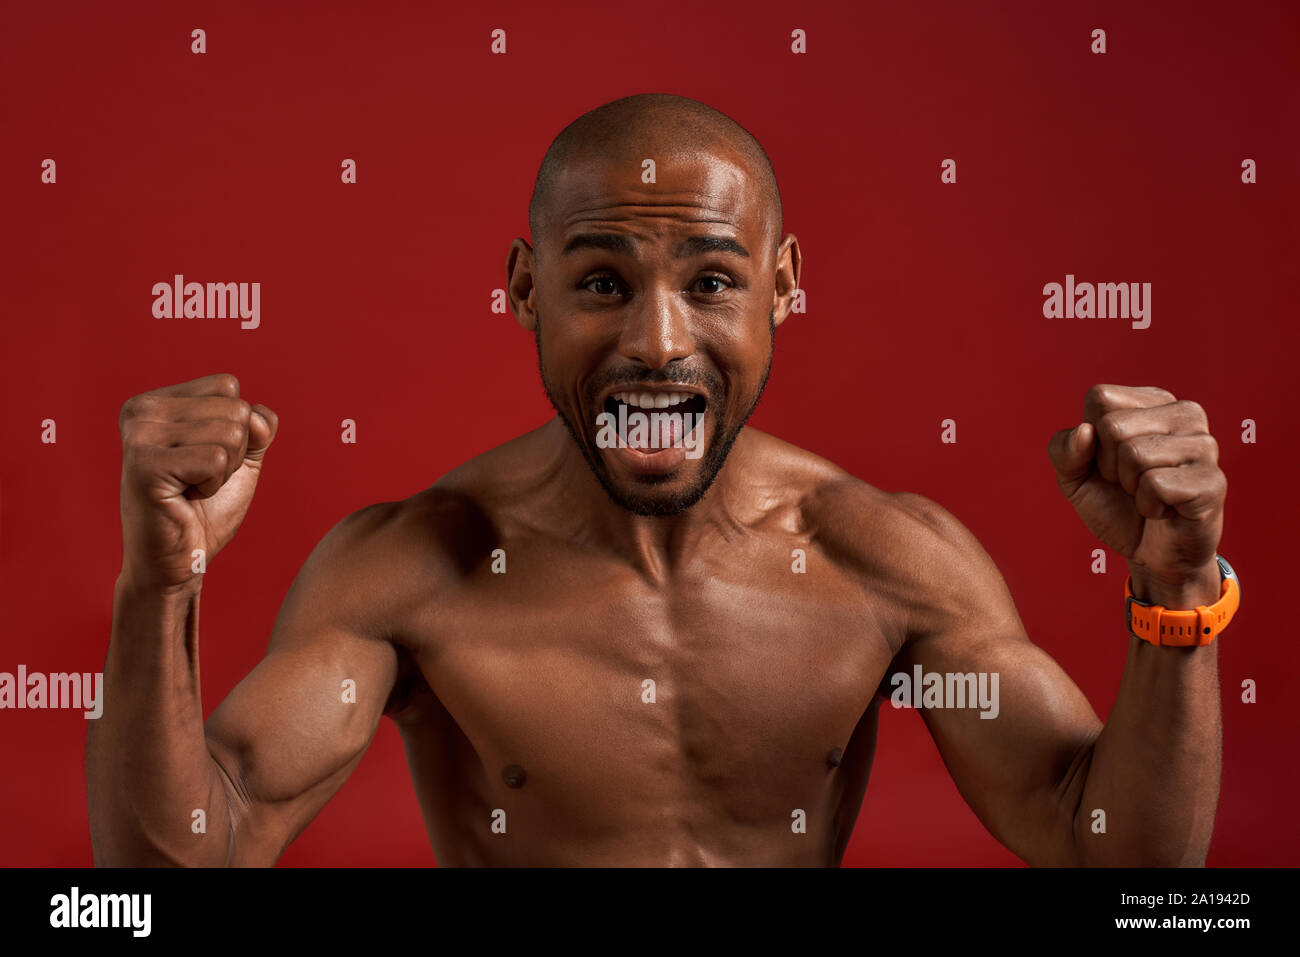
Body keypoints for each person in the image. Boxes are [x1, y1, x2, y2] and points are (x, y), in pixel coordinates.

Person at [88, 93, 1230, 867]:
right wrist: (159, 589)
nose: (656, 342)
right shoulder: (411, 568)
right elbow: (184, 860)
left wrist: (1177, 594)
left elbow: (1116, 857)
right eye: (600, 283)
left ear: (782, 288)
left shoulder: (882, 559)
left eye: (713, 281)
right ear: (525, 289)